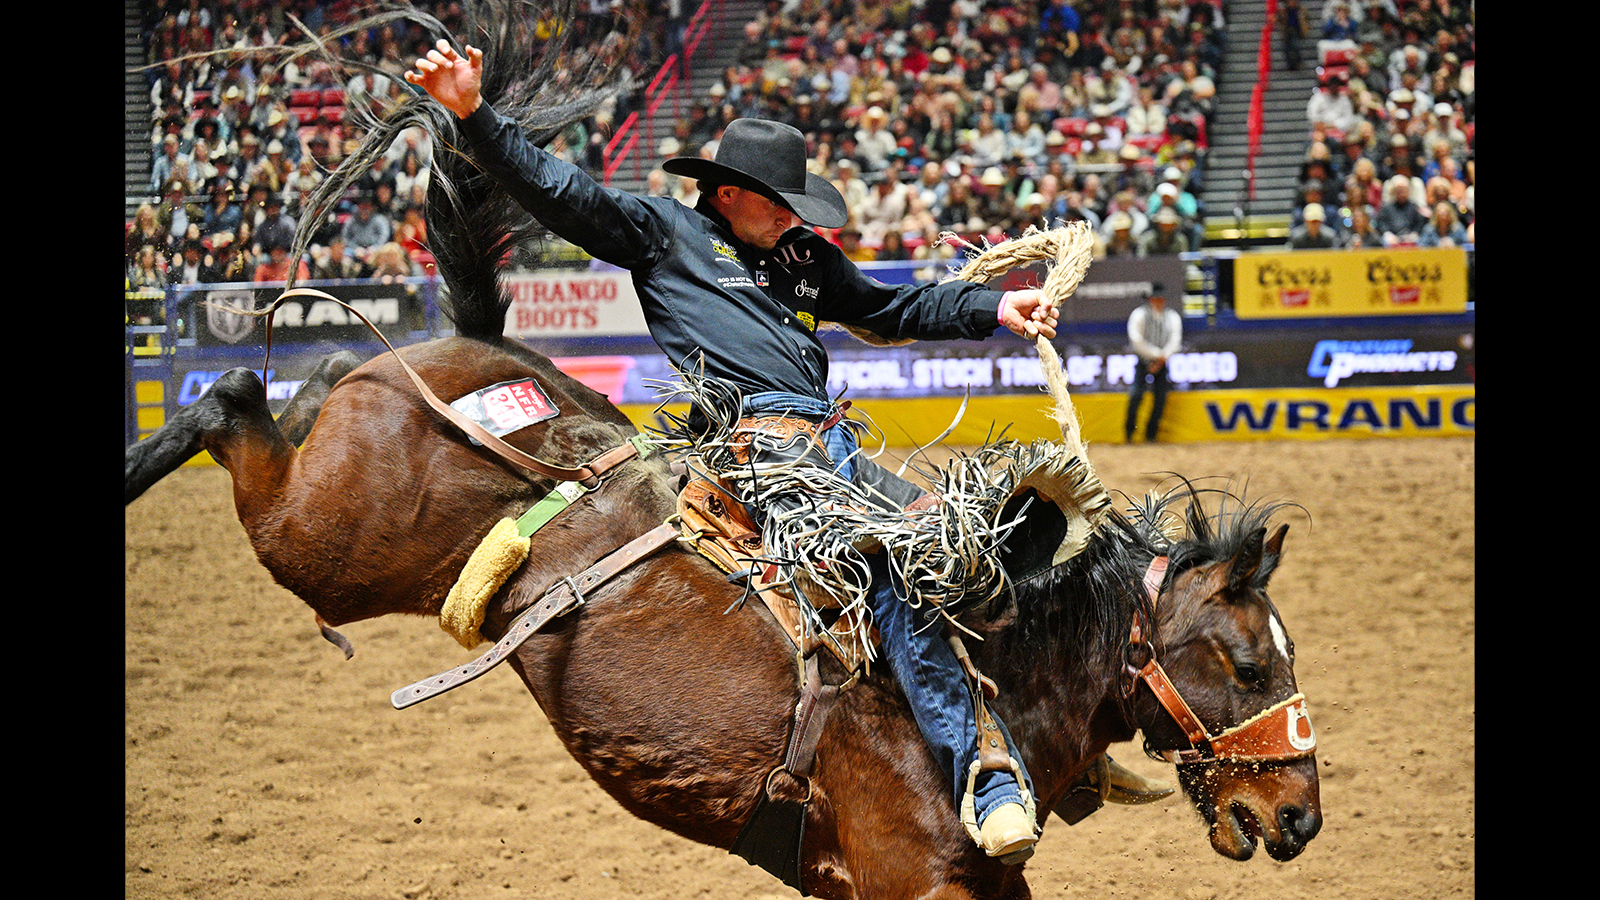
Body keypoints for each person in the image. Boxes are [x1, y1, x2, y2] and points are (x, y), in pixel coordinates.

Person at [406, 37, 1162, 863]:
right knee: (897, 565)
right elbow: (560, 191)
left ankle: (1065, 752)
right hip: (758, 453)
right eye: (780, 203)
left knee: (986, 545)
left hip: (831, 446)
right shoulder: (662, 233)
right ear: (727, 194)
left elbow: (890, 309)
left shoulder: (805, 258)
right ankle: (984, 775)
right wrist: (474, 115)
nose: (795, 218)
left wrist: (992, 308)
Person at [1124, 284, 1182, 444]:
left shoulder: (1172, 316)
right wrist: (1157, 355)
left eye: (1160, 299)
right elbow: (1136, 339)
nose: (1158, 302)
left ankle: (1151, 435)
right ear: (1150, 300)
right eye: (1155, 299)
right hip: (1143, 361)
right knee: (1136, 395)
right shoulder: (1140, 314)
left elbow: (1175, 340)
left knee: (1160, 397)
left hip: (1162, 363)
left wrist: (1162, 358)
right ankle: (1129, 433)